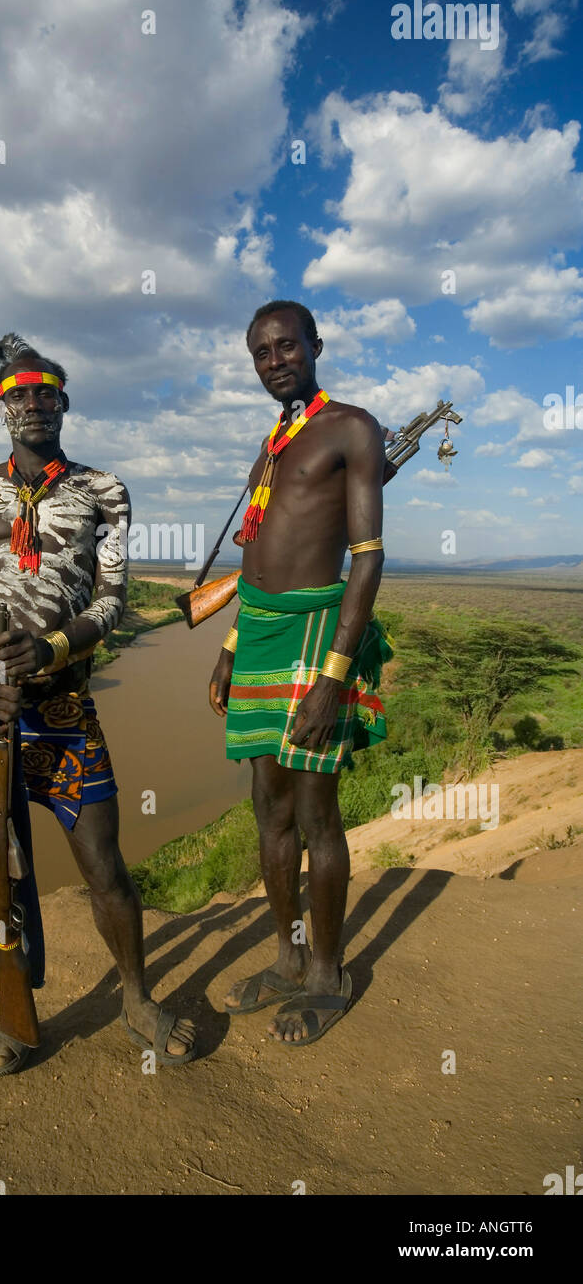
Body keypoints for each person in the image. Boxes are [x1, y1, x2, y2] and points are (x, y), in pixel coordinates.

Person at [0, 333, 195, 1073]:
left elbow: (112, 601)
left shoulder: (104, 492)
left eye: (45, 391)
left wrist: (48, 652)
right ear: (1, 407)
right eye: (18, 393)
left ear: (64, 402)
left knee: (103, 864)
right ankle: (18, 1016)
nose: (33, 403)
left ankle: (136, 1000)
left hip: (66, 709)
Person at [209, 301, 392, 1047]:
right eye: (261, 352)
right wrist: (228, 643)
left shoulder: (352, 427)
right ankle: (285, 958)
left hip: (319, 635)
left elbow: (368, 555)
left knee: (317, 814)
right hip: (260, 633)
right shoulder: (274, 441)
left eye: (287, 346)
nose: (274, 360)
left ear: (316, 346)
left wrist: (334, 676)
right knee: (269, 809)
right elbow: (257, 559)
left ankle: (326, 974)